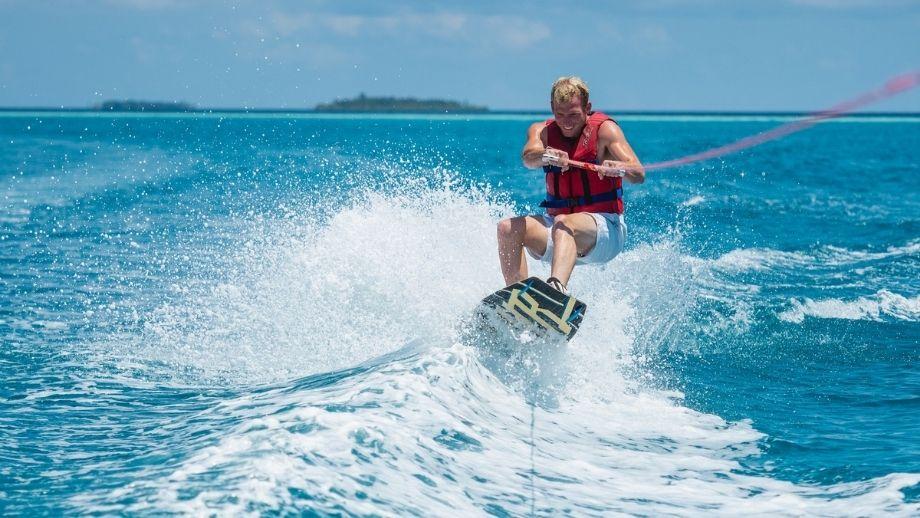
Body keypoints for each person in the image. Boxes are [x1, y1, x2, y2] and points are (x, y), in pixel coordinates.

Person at [496, 76, 645, 294]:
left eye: (574, 115)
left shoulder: (605, 130)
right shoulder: (541, 131)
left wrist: (619, 167)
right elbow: (528, 158)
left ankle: (556, 291)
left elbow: (638, 173)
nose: (566, 122)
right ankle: (517, 298)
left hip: (605, 231)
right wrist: (546, 155)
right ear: (552, 108)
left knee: (563, 223)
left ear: (587, 108)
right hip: (559, 233)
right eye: (560, 114)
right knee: (507, 228)